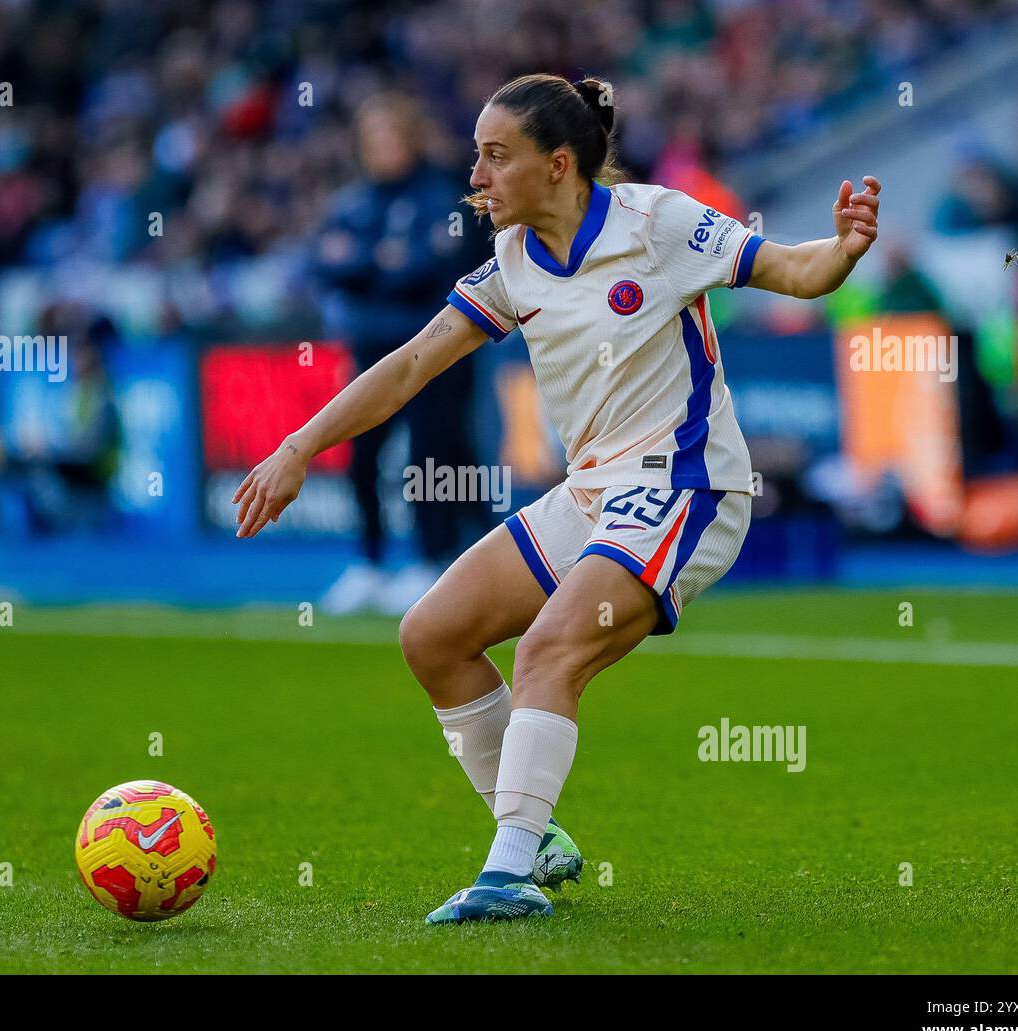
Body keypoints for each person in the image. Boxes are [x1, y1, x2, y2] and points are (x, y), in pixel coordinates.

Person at [234, 74, 880, 924]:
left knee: (548, 651)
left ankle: (506, 872)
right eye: (476, 157)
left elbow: (795, 270)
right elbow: (411, 363)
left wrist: (841, 248)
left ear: (560, 164)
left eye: (496, 157)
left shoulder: (657, 223)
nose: (478, 177)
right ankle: (535, 840)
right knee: (432, 635)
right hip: (592, 493)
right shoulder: (511, 260)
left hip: (687, 486)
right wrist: (296, 445)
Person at [312, 92, 487, 616]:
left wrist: (371, 263)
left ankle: (433, 560)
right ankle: (369, 560)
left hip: (435, 346)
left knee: (434, 454)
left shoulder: (442, 195)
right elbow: (328, 262)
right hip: (370, 344)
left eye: (391, 135)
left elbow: (429, 267)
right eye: (373, 138)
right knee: (361, 452)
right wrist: (382, 262)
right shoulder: (353, 201)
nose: (382, 147)